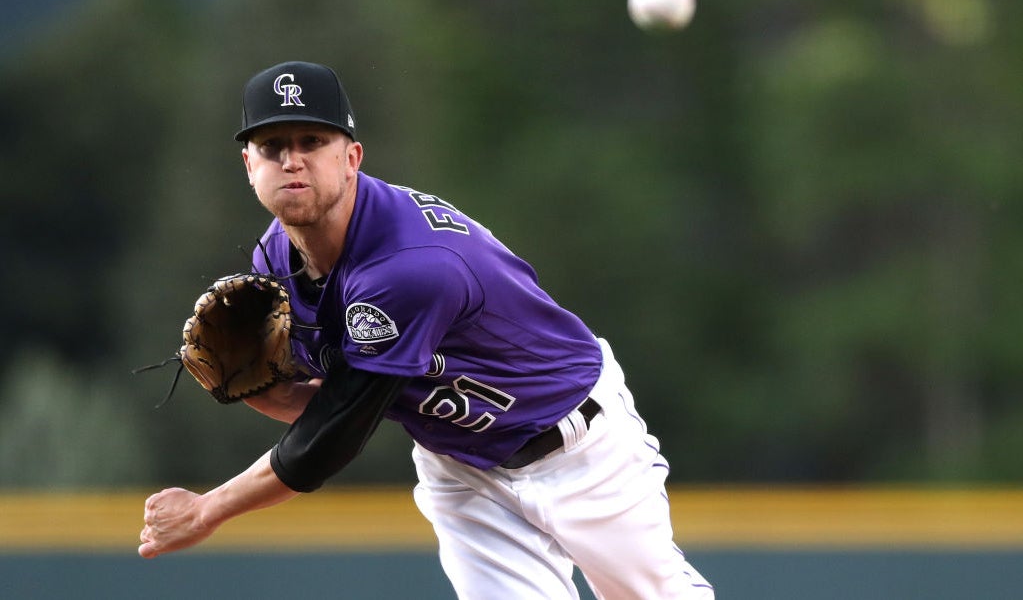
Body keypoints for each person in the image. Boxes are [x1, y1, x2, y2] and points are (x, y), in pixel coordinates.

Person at [138, 60, 714, 599]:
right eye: (272, 146)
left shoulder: (408, 269)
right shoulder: (275, 266)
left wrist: (207, 510)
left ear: (352, 157)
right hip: (462, 465)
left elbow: (327, 443)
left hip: (578, 446)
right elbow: (326, 408)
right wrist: (262, 391)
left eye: (312, 142)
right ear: (249, 166)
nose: (292, 161)